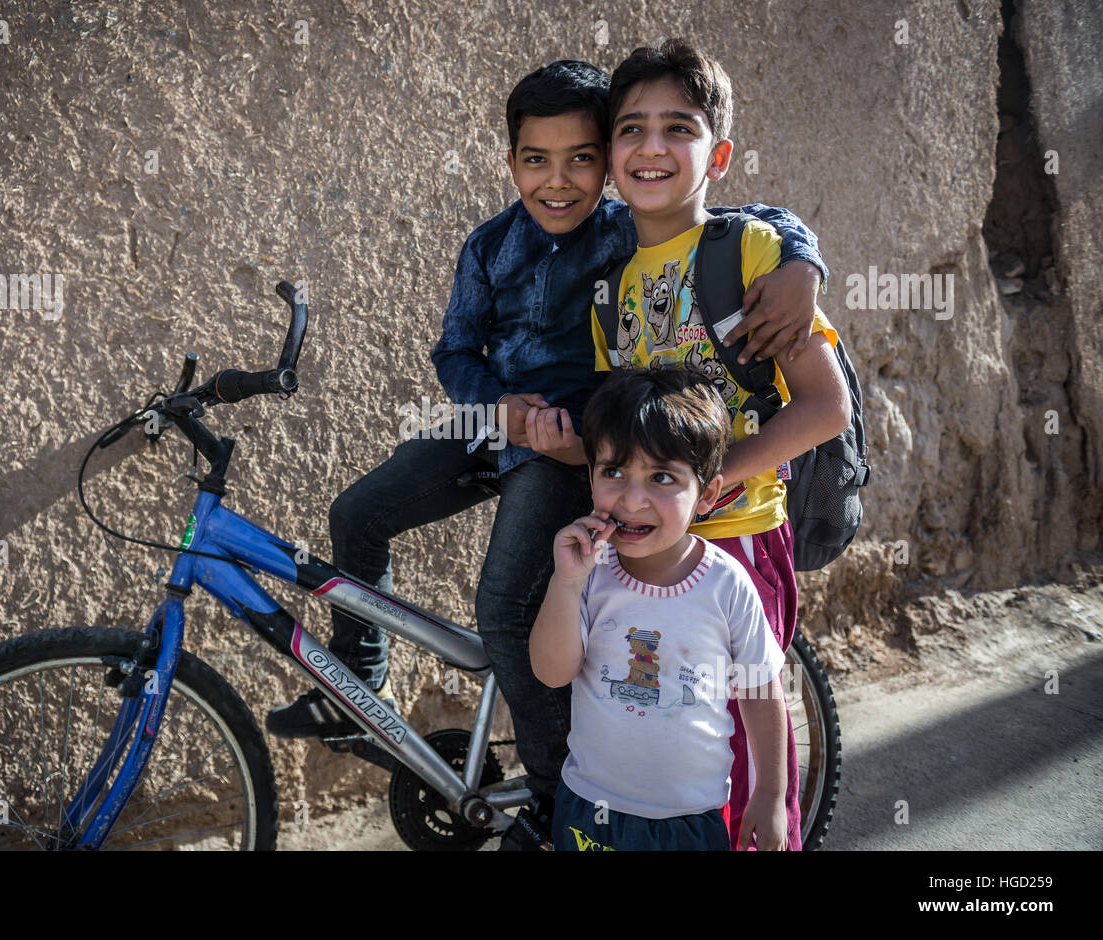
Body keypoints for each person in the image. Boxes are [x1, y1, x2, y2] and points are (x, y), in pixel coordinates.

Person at [266, 58, 829, 849]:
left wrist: (805, 259)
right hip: (500, 426)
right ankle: (358, 679)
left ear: (604, 164)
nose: (559, 182)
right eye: (537, 160)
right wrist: (497, 408)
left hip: (577, 448)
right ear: (511, 164)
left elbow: (731, 214)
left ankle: (551, 788)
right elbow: (455, 351)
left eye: (581, 159)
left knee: (501, 602)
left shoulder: (624, 231)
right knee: (356, 512)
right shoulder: (490, 246)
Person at [558, 37, 853, 849]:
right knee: (671, 763)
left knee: (749, 765)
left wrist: (718, 482)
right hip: (644, 556)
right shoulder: (609, 294)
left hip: (741, 544)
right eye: (632, 129)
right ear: (610, 157)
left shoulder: (751, 252)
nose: (653, 147)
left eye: (678, 128)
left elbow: (824, 407)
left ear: (717, 154)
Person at [530, 368, 790, 851]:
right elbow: (550, 673)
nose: (633, 500)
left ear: (707, 494)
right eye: (614, 472)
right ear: (590, 476)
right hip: (591, 812)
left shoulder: (726, 584)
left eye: (662, 477)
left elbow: (761, 693)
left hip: (690, 823)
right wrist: (566, 585)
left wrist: (771, 796)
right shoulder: (590, 571)